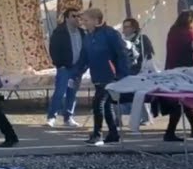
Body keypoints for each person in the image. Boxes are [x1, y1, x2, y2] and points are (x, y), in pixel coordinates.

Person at [78, 8, 131, 145]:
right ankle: (113, 133)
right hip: (97, 75)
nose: (83, 23)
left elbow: (122, 54)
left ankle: (97, 134)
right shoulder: (88, 37)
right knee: (106, 105)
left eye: (86, 20)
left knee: (98, 103)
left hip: (110, 75)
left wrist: (122, 74)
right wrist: (76, 73)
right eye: (83, 20)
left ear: (96, 20)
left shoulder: (110, 33)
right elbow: (84, 58)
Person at [162, 9, 193, 141]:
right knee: (181, 102)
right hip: (186, 72)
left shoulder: (173, 31)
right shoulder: (189, 33)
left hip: (173, 69)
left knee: (185, 101)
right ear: (191, 19)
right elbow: (192, 52)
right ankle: (170, 132)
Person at [46, 8, 86, 128]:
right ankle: (52, 117)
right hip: (64, 68)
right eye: (73, 16)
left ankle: (68, 117)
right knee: (60, 92)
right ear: (67, 18)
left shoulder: (82, 32)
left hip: (78, 68)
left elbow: (86, 49)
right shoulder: (59, 32)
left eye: (78, 16)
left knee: (72, 93)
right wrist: (59, 64)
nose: (77, 18)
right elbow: (53, 49)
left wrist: (84, 66)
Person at [118, 17, 155, 131]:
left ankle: (145, 117)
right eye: (124, 27)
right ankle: (117, 119)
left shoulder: (142, 39)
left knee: (139, 95)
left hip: (139, 71)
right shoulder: (122, 41)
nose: (124, 29)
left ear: (134, 28)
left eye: (127, 27)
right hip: (126, 72)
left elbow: (147, 55)